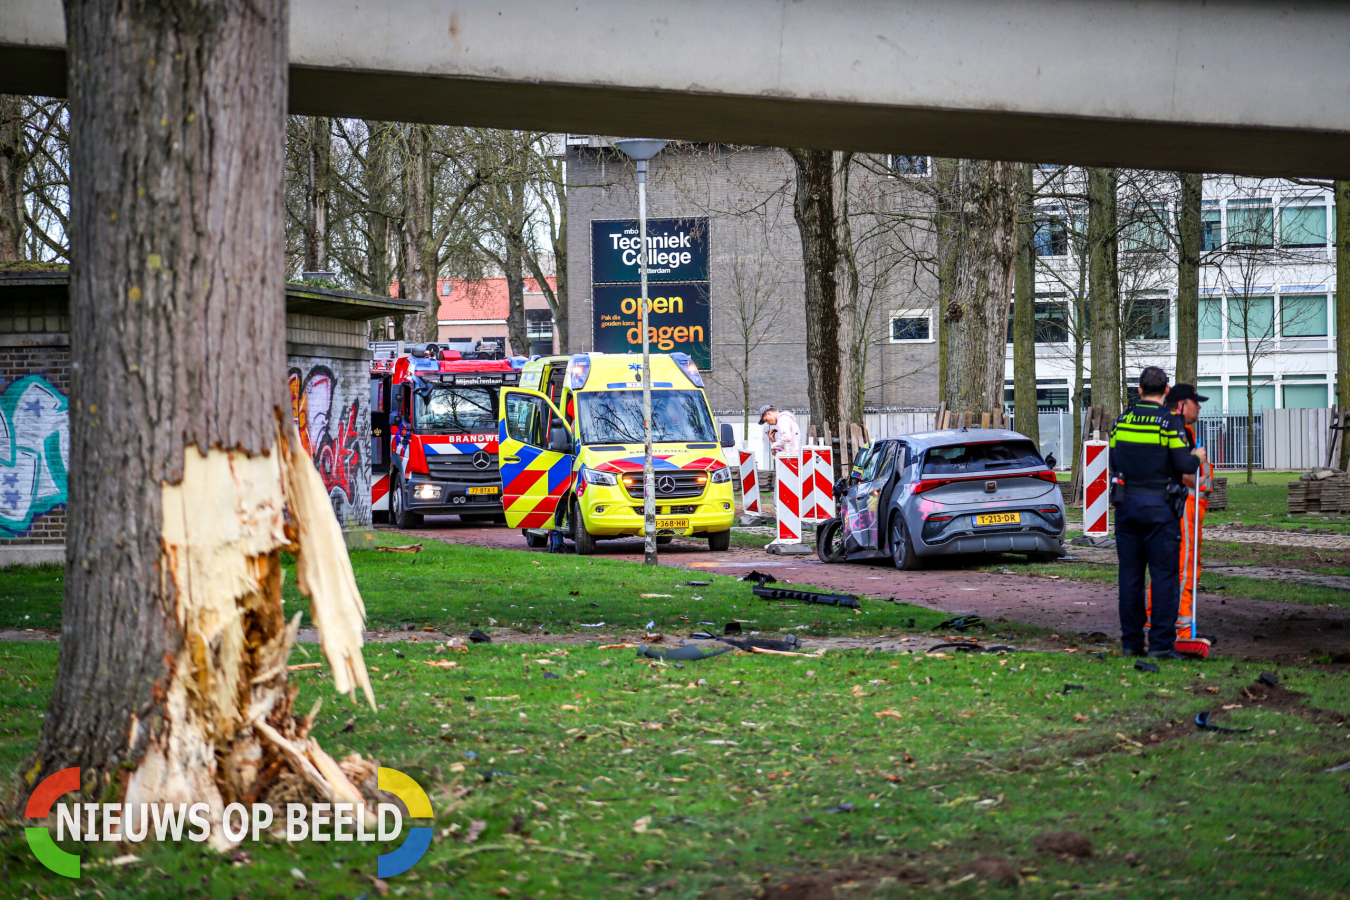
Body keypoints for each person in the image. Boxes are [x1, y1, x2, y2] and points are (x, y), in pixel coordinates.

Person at [1109, 367, 1205, 660]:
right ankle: (1161, 644)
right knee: (1164, 575)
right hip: (1160, 508)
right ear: (1166, 392)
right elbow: (1184, 465)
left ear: (1139, 390)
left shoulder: (1121, 421)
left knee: (1130, 575)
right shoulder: (1168, 423)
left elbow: (1113, 459)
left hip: (1126, 507)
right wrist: (1196, 457)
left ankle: (1131, 642)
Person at [1153, 383, 1212, 642]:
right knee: (1183, 568)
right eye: (1195, 401)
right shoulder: (1177, 431)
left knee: (1172, 567)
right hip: (1184, 509)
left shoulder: (1178, 430)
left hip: (1184, 509)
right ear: (1181, 405)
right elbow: (1184, 473)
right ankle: (1181, 629)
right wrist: (1198, 464)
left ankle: (1170, 624)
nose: (1199, 406)